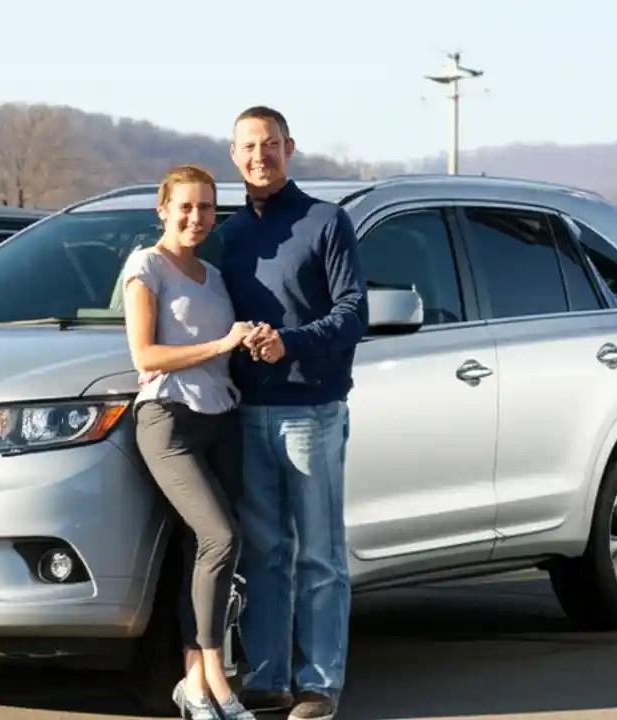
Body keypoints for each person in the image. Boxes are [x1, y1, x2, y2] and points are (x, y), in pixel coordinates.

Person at [219, 106, 369, 720]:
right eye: (250, 146)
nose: (261, 156)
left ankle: (319, 686)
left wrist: (293, 341)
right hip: (245, 410)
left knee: (319, 555)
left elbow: (354, 310)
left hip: (311, 409)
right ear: (234, 155)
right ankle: (267, 680)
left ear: (290, 148)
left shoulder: (326, 221)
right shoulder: (225, 234)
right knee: (264, 554)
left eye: (271, 144)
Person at [121, 163, 258, 720]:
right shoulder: (146, 266)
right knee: (220, 537)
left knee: (200, 553)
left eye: (205, 207)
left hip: (220, 418)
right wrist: (222, 342)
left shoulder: (214, 275)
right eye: (186, 206)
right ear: (163, 209)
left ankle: (195, 686)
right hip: (168, 420)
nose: (197, 217)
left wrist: (250, 342)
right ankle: (219, 682)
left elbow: (223, 349)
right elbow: (145, 357)